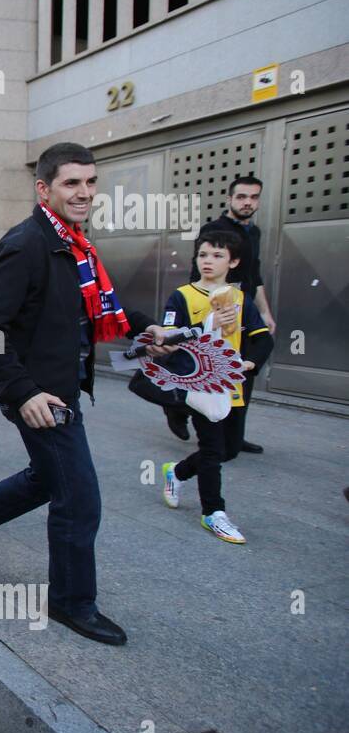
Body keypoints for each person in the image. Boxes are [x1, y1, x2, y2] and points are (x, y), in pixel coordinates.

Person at [0, 142, 172, 646]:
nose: (84, 192)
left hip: (60, 388)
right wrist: (23, 392)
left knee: (46, 479)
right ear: (44, 188)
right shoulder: (25, 245)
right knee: (79, 498)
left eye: (91, 182)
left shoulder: (71, 243)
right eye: (72, 183)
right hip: (38, 395)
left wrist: (144, 329)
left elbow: (89, 305)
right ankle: (73, 601)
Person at [160, 230, 273, 543]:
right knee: (212, 449)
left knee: (229, 450)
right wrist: (207, 322)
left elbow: (262, 337)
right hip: (200, 383)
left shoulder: (239, 299)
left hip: (233, 384)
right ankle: (214, 512)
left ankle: (178, 471)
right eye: (203, 255)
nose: (208, 261)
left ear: (233, 262)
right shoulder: (182, 295)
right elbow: (169, 338)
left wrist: (250, 362)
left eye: (217, 256)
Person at [175, 176, 273, 454]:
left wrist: (265, 311)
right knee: (206, 368)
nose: (247, 202)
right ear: (229, 199)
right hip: (218, 309)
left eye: (254, 197)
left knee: (244, 371)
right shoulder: (213, 229)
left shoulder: (253, 232)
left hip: (244, 310)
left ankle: (235, 435)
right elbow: (200, 275)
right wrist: (208, 317)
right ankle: (180, 407)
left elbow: (255, 275)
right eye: (242, 197)